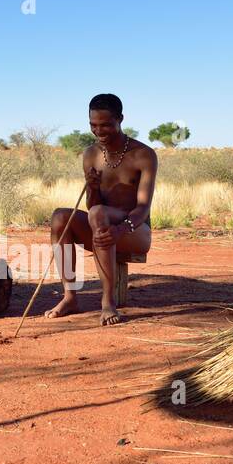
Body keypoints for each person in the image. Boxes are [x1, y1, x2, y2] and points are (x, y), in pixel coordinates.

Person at [44, 93, 157, 325]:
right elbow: (92, 205)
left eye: (106, 125)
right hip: (102, 227)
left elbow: (143, 207)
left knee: (99, 214)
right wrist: (93, 188)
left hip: (135, 232)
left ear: (121, 120)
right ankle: (70, 296)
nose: (99, 131)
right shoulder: (91, 154)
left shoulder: (143, 155)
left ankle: (108, 302)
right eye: (93, 125)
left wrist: (120, 230)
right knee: (60, 218)